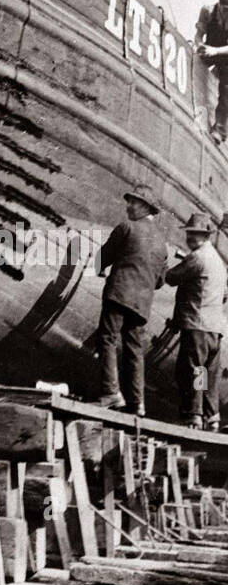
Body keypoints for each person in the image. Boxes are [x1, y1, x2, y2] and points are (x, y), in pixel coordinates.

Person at [95, 183, 167, 415]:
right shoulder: (162, 244)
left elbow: (102, 257)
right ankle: (138, 403)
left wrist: (100, 267)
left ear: (145, 206)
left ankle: (110, 393)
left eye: (133, 202)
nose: (128, 206)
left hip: (118, 294)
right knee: (134, 350)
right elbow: (160, 281)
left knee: (107, 338)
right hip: (141, 304)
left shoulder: (127, 227)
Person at [165, 213, 227, 430]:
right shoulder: (218, 262)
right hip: (215, 329)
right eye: (190, 233)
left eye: (194, 234)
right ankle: (212, 417)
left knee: (195, 371)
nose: (190, 238)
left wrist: (169, 264)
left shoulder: (198, 257)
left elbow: (171, 277)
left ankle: (194, 414)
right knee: (208, 375)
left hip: (197, 326)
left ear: (205, 236)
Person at [197, 0, 228, 142]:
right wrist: (199, 45)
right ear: (219, 5)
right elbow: (199, 34)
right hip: (211, 48)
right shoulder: (208, 11)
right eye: (225, 9)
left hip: (225, 55)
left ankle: (220, 130)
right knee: (196, 61)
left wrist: (215, 51)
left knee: (226, 89)